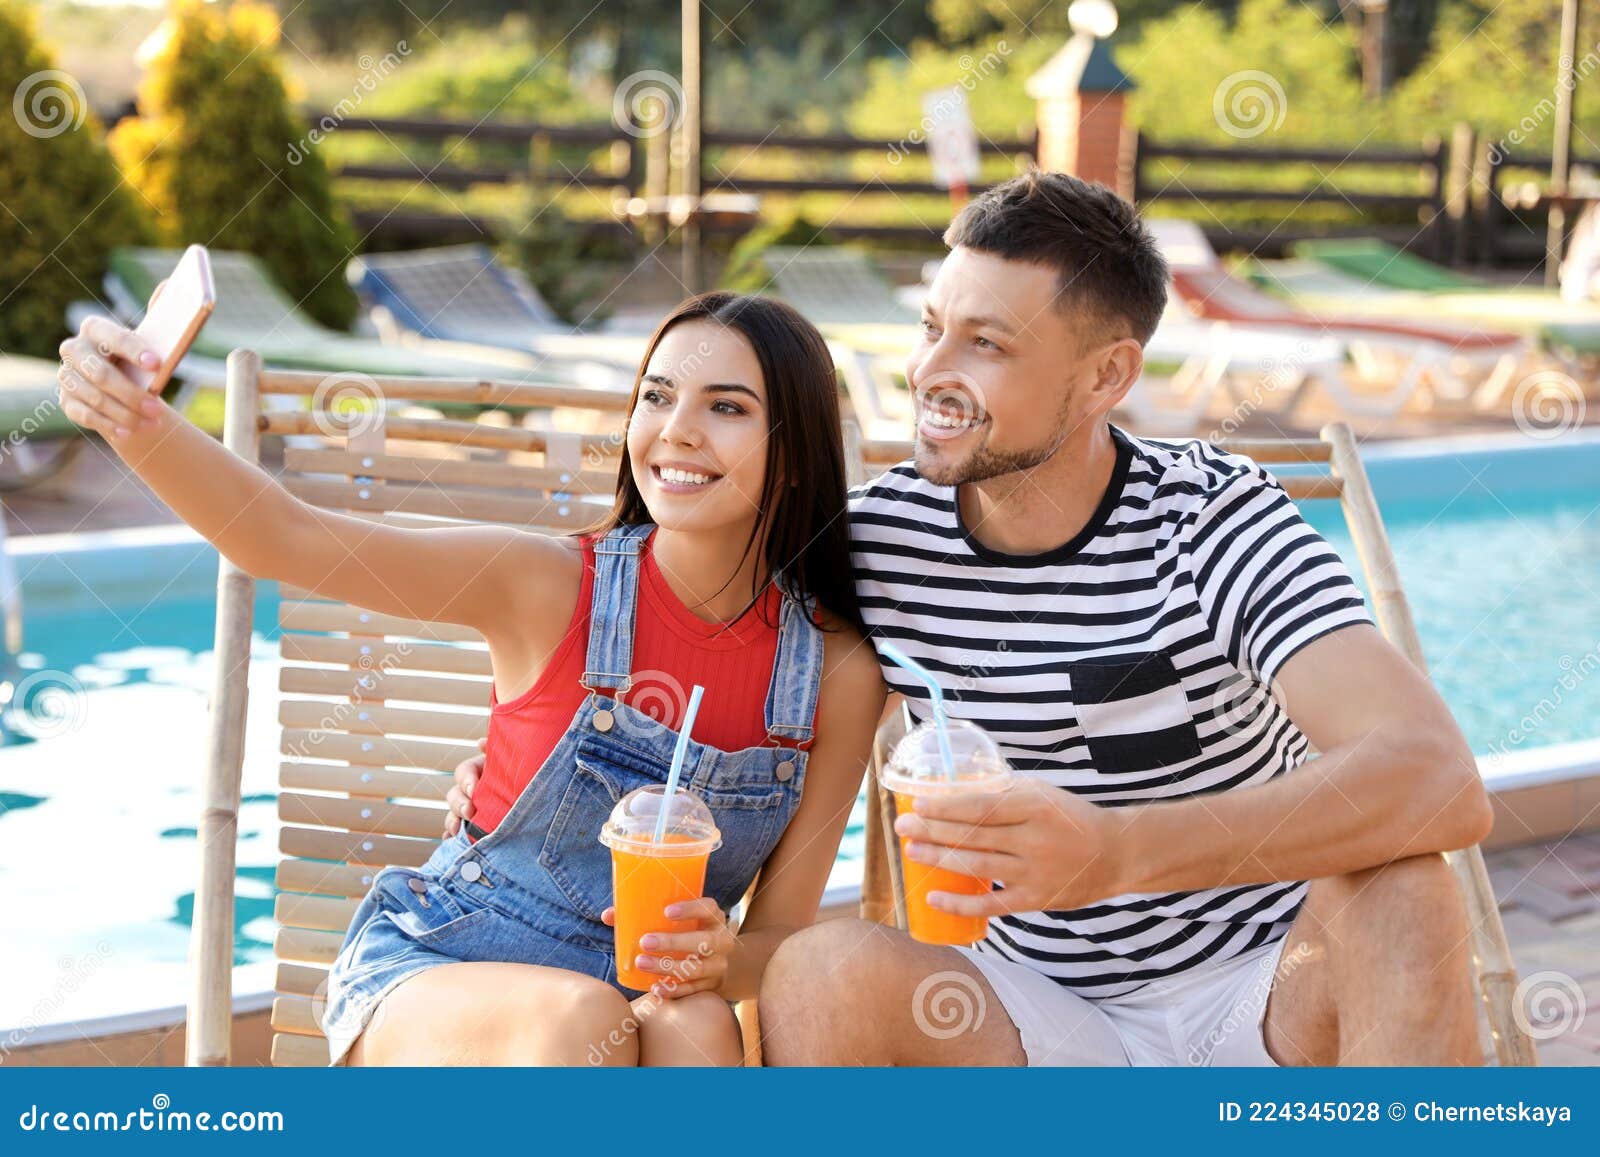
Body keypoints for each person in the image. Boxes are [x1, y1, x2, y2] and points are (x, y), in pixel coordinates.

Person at [444, 174, 1495, 1068]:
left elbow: (1433, 775)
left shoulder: (1214, 519)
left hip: (1266, 998)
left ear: (1105, 377)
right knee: (823, 969)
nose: (931, 375)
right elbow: (688, 605)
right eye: (930, 327)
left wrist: (1117, 852)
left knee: (1408, 891)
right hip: (1031, 1021)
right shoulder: (881, 540)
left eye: (985, 344)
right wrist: (509, 766)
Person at [56, 291, 885, 1066]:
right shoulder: (546, 583)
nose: (678, 429)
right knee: (585, 1019)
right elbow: (289, 539)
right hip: (438, 974)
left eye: (727, 407)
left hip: (628, 1013)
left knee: (696, 1023)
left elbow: (777, 938)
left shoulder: (833, 671)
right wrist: (135, 422)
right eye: (658, 396)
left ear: (796, 456)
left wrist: (721, 956)